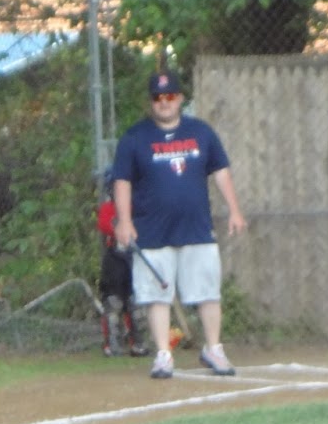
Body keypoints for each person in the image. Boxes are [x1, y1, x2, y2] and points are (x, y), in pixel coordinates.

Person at [110, 70, 247, 380]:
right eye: (158, 97)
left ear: (180, 99)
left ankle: (214, 349)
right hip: (151, 229)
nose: (164, 102)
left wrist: (235, 211)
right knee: (156, 294)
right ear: (151, 102)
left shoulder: (201, 132)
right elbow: (122, 181)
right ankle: (163, 355)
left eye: (170, 96)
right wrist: (125, 221)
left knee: (208, 290)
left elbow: (221, 171)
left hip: (196, 227)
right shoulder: (135, 137)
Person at [95, 174, 147, 358]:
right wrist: (122, 224)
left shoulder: (136, 207)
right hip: (115, 259)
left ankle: (138, 343)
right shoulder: (108, 208)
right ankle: (112, 344)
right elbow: (106, 225)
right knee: (113, 302)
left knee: (135, 301)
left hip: (134, 258)